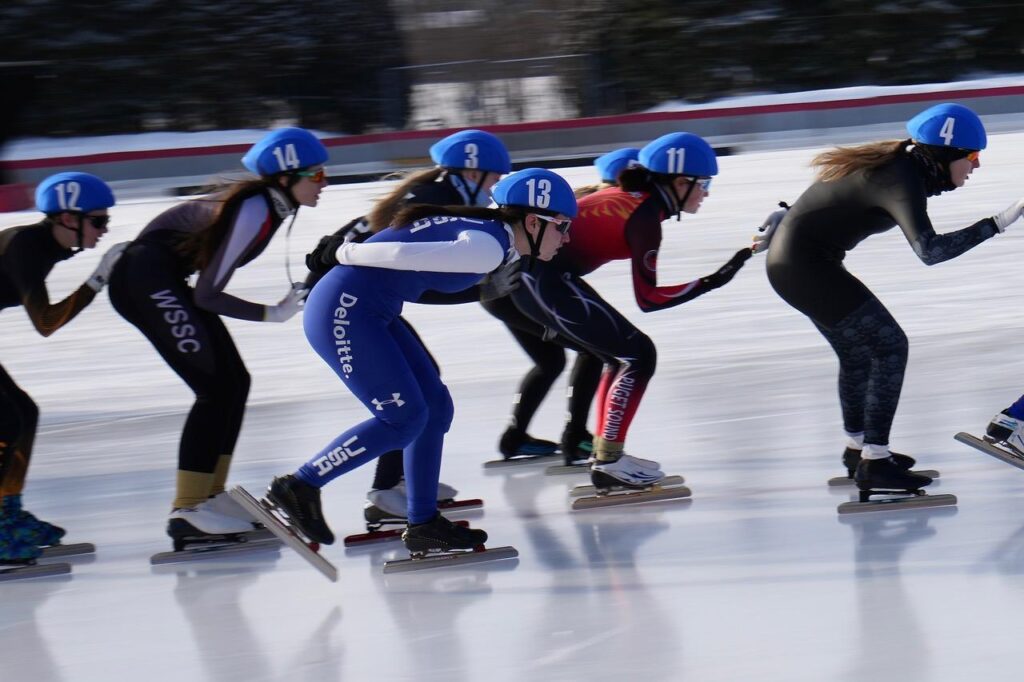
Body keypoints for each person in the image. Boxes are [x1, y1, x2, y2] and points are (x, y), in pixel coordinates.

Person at [265, 168, 576, 553]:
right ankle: (300, 485)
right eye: (563, 226)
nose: (567, 237)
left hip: (368, 310)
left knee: (434, 407)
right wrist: (340, 252)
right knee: (403, 419)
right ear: (533, 221)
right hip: (344, 311)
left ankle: (424, 520)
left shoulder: (491, 239)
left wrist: (481, 290)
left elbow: (416, 275)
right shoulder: (488, 245)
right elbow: (395, 254)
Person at [757, 102, 1022, 494]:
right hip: (804, 267)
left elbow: (830, 199)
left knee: (858, 354)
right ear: (945, 153)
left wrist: (788, 216)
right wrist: (999, 222)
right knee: (890, 347)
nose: (976, 166)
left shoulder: (901, 167)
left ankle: (858, 450)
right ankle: (875, 461)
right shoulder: (902, 177)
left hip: (795, 265)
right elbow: (930, 251)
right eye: (972, 156)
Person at [107, 127, 329, 549]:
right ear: (285, 178)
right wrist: (272, 313)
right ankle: (189, 508)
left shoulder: (269, 206)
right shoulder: (254, 208)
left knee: (234, 382)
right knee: (213, 388)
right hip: (145, 279)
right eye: (316, 175)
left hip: (159, 279)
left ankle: (210, 496)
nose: (324, 183)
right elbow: (208, 293)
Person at [505, 132, 751, 487]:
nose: (707, 193)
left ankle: (607, 456)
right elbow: (649, 300)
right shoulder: (645, 216)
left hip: (541, 276)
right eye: (704, 183)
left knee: (619, 355)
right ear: (681, 182)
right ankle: (608, 461)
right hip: (539, 277)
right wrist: (714, 280)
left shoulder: (638, 201)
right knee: (638, 355)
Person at [303, 128, 512, 525]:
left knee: (424, 391)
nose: (495, 191)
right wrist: (482, 290)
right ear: (472, 174)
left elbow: (420, 280)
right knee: (404, 404)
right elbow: (415, 273)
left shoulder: (438, 193)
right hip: (348, 296)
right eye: (494, 180)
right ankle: (386, 488)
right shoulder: (437, 200)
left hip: (366, 294)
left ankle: (401, 485)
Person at [481, 147, 641, 466]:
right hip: (513, 291)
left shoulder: (592, 207)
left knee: (551, 361)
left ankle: (516, 436)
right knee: (593, 349)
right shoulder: (599, 210)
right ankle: (576, 436)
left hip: (502, 291)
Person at [0, 172, 124, 563]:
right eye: (99, 221)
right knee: (7, 420)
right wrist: (99, 278)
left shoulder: (43, 245)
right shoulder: (27, 246)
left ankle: (8, 512)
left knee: (24, 414)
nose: (104, 229)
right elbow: (46, 322)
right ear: (68, 219)